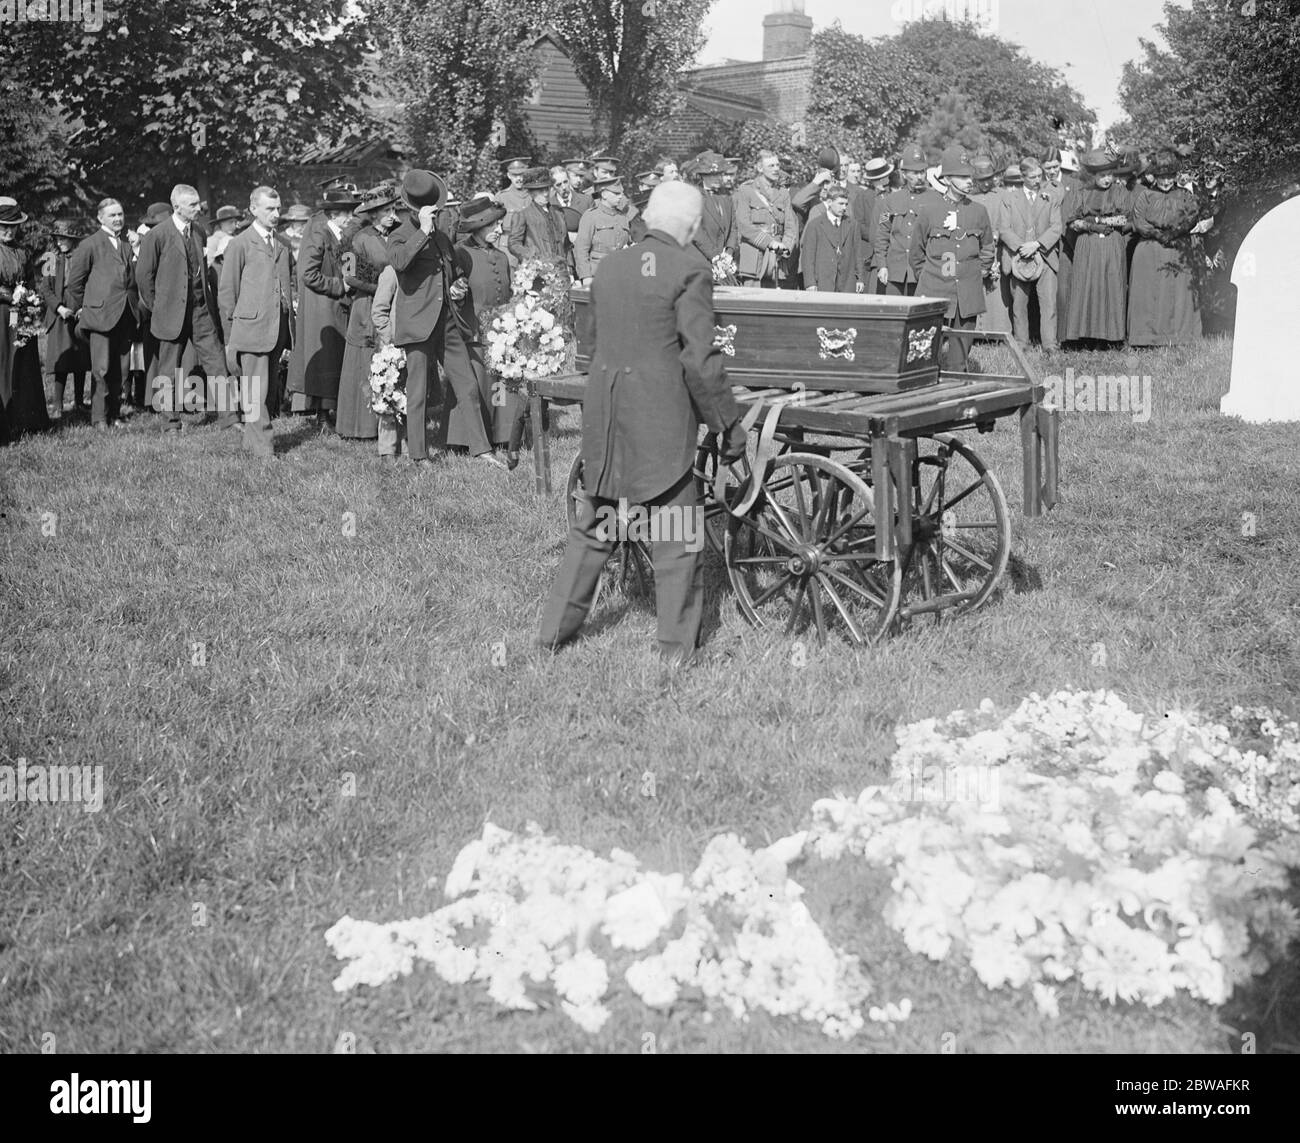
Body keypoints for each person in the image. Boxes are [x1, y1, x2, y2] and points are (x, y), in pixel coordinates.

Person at [539, 181, 747, 667]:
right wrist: (727, 427)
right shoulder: (690, 267)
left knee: (595, 527)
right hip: (660, 422)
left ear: (648, 218)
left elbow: (591, 344)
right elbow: (700, 360)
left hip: (608, 417)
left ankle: (552, 636)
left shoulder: (609, 267)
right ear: (693, 225)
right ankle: (676, 653)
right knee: (677, 537)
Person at [386, 168, 504, 469]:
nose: (437, 215)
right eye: (433, 211)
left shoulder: (440, 236)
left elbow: (453, 269)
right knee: (417, 393)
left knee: (467, 385)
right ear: (417, 209)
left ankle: (481, 449)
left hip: (447, 322)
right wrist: (423, 231)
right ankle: (419, 455)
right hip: (418, 326)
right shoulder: (399, 236)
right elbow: (399, 263)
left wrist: (458, 283)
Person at [136, 183, 232, 431]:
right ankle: (170, 423)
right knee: (168, 369)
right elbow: (144, 277)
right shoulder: (157, 235)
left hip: (201, 311)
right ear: (177, 206)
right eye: (192, 204)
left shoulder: (199, 231)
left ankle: (229, 418)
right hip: (170, 314)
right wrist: (159, 308)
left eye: (198, 203)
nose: (198, 208)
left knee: (217, 363)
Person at [218, 185, 293, 458]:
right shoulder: (240, 244)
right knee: (255, 390)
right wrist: (232, 336)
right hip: (250, 328)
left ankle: (252, 443)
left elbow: (286, 285)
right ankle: (264, 449)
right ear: (253, 210)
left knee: (266, 390)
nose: (275, 214)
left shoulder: (282, 245)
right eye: (269, 209)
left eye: (278, 209)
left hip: (276, 329)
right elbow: (227, 293)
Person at [910, 146, 996, 373]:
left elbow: (987, 246)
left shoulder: (978, 211)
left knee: (958, 363)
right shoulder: (928, 210)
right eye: (963, 177)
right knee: (925, 358)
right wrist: (930, 279)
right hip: (934, 293)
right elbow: (916, 254)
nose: (970, 181)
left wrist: (981, 272)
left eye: (970, 176)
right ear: (947, 179)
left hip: (967, 296)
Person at [287, 185, 360, 430]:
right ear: (331, 214)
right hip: (323, 306)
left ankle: (334, 410)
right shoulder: (319, 232)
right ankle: (322, 414)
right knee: (326, 359)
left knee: (337, 357)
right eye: (343, 212)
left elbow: (347, 264)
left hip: (339, 304)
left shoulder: (341, 234)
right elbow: (307, 273)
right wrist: (339, 286)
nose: (348, 217)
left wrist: (351, 280)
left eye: (350, 211)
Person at [65, 198, 141, 430]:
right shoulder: (90, 244)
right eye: (112, 215)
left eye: (120, 214)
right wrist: (83, 309)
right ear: (100, 218)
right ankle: (99, 418)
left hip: (125, 315)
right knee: (101, 369)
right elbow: (74, 284)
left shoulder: (127, 244)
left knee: (120, 370)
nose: (118, 219)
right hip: (100, 318)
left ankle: (115, 414)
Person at [452, 197, 517, 454]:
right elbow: (453, 288)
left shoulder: (501, 256)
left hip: (501, 330)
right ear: (478, 228)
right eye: (493, 226)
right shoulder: (461, 253)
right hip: (474, 328)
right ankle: (465, 438)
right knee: (477, 382)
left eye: (499, 225)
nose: (499, 230)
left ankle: (502, 433)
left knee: (500, 381)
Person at [337, 184, 400, 440]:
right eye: (386, 210)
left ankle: (390, 420)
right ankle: (359, 426)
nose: (391, 214)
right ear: (373, 214)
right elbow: (350, 277)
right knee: (365, 362)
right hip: (367, 306)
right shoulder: (360, 238)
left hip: (393, 306)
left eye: (393, 208)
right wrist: (382, 288)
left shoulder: (397, 235)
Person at [1127, 148, 1203, 347]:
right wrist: (1157, 234)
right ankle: (1147, 337)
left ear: (1176, 176)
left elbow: (1192, 216)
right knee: (1150, 293)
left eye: (1170, 177)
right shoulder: (1146, 196)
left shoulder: (1186, 195)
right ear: (1155, 176)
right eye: (1162, 177)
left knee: (1178, 294)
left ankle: (1181, 336)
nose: (1166, 182)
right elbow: (1139, 220)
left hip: (1179, 247)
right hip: (1151, 248)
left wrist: (1174, 232)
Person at [1061, 150, 1132, 346]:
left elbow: (1123, 218)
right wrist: (1092, 225)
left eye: (1110, 174)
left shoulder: (1120, 192)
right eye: (1102, 175)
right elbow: (1073, 222)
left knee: (1111, 286)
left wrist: (1097, 219)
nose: (1107, 179)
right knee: (1087, 287)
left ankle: (1111, 337)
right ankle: (1085, 336)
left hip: (1111, 245)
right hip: (1088, 245)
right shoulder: (1082, 193)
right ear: (1093, 175)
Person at [0, 200, 52, 441]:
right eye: (3, 226)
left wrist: (31, 297)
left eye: (12, 227)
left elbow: (30, 279)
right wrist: (9, 295)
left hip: (17, 314)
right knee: (4, 359)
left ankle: (26, 418)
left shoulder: (21, 251)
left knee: (21, 357)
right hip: (1, 313)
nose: (8, 231)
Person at [999, 157, 1062, 351]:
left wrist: (1036, 244)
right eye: (1033, 177)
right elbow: (1004, 229)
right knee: (1018, 304)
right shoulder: (1009, 198)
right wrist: (1021, 247)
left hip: (1045, 255)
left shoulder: (1050, 197)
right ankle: (1021, 343)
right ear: (1023, 177)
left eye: (1039, 175)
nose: (1037, 180)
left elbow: (1056, 226)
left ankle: (1050, 344)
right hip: (1017, 258)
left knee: (1049, 304)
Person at [875, 142, 944, 296]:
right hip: (895, 271)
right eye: (914, 173)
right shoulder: (891, 200)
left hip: (923, 272)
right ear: (904, 174)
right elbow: (882, 235)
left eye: (922, 172)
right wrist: (882, 265)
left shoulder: (936, 200)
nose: (919, 177)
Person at [39, 219, 91, 420]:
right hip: (59, 313)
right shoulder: (50, 258)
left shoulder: (82, 258)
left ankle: (79, 401)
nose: (60, 242)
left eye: (65, 238)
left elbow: (88, 284)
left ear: (73, 240)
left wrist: (84, 308)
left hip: (79, 311)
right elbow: (46, 289)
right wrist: (59, 308)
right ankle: (58, 405)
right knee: (61, 359)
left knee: (80, 357)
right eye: (58, 238)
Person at [734, 150, 797, 288]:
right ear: (760, 168)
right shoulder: (746, 191)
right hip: (753, 259)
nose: (776, 169)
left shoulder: (783, 193)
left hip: (777, 261)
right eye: (771, 166)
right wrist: (769, 243)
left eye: (777, 165)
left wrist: (785, 248)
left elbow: (791, 226)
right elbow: (744, 225)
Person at [969, 157, 1011, 335]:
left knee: (997, 291)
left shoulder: (1003, 195)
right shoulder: (969, 197)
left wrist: (997, 235)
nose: (986, 184)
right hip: (974, 248)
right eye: (981, 180)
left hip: (997, 248)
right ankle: (977, 331)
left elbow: (1008, 220)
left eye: (989, 179)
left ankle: (998, 331)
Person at [799, 183, 865, 293]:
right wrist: (810, 283)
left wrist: (860, 279)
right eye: (840, 204)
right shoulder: (815, 225)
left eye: (846, 204)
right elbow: (808, 257)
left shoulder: (853, 225)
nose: (844, 208)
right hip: (822, 283)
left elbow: (858, 253)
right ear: (829, 202)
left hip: (847, 284)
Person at [574, 176, 633, 285]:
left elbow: (628, 244)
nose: (620, 197)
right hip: (597, 275)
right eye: (616, 194)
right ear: (604, 194)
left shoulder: (623, 217)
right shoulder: (591, 216)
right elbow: (581, 249)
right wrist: (586, 276)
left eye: (621, 193)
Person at [507, 167, 569, 264]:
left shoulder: (559, 212)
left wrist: (571, 270)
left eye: (547, 189)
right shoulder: (523, 215)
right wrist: (534, 259)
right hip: (538, 272)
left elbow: (567, 245)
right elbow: (514, 244)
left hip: (562, 271)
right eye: (540, 190)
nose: (545, 194)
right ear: (531, 192)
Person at [205, 205, 242, 271]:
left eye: (235, 222)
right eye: (230, 222)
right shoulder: (212, 240)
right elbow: (209, 265)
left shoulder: (238, 238)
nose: (234, 225)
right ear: (220, 223)